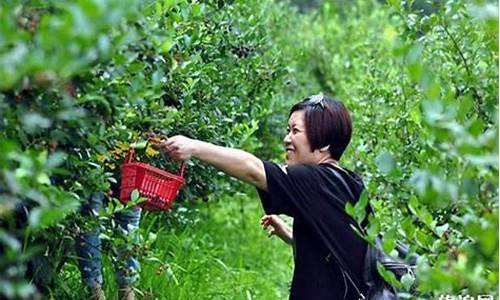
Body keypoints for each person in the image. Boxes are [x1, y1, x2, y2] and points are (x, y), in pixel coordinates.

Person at [159, 94, 368, 299]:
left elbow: (253, 169)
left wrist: (194, 147)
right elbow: (344, 249)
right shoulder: (350, 182)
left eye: (295, 131)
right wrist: (290, 235)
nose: (287, 138)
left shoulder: (315, 180)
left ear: (324, 143)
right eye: (288, 130)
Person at [75, 192, 141, 300]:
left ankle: (95, 291)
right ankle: (126, 293)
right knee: (128, 223)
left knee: (90, 219)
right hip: (131, 177)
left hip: (103, 178)